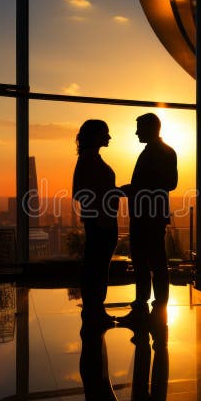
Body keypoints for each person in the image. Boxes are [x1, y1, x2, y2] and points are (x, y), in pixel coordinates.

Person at [117, 113, 178, 328]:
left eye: (139, 128)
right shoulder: (166, 152)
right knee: (153, 261)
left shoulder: (157, 153)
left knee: (145, 262)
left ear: (150, 129)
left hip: (146, 215)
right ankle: (153, 306)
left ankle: (145, 306)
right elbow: (169, 183)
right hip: (152, 214)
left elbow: (169, 183)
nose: (136, 133)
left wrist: (134, 190)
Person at [73, 120, 119, 331]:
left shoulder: (89, 159)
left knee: (96, 266)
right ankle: (95, 310)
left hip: (100, 220)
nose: (109, 138)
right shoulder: (89, 160)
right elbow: (82, 193)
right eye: (106, 134)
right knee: (98, 267)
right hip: (101, 221)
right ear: (95, 136)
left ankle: (94, 310)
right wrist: (114, 194)